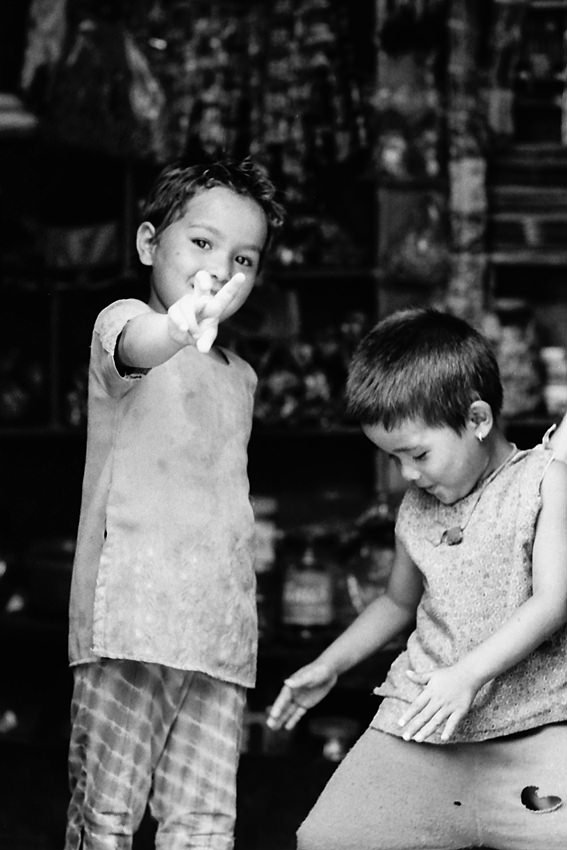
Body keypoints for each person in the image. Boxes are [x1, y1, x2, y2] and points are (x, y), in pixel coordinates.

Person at [267, 307, 567, 850]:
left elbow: (553, 601)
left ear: (477, 420)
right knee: (325, 838)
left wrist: (468, 675)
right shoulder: (417, 505)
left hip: (537, 727)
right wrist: (328, 665)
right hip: (423, 723)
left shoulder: (546, 482)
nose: (407, 475)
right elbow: (396, 602)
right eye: (392, 459)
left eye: (418, 454)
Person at [65, 158, 284, 850]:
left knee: (203, 826)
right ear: (147, 243)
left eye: (242, 257)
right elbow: (140, 347)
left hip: (217, 633)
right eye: (201, 243)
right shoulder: (127, 325)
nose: (220, 268)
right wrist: (182, 324)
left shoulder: (240, 376)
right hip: (131, 616)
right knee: (106, 818)